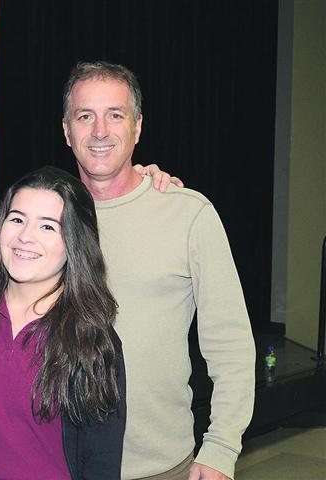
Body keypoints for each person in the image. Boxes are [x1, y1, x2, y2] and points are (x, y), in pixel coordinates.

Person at [61, 61, 254, 480]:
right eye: (85, 116)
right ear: (66, 130)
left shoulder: (188, 214)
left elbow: (231, 345)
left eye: (115, 115)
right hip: (56, 463)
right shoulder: (43, 216)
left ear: (138, 127)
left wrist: (221, 448)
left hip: (162, 466)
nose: (99, 131)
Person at [0, 166, 126, 479]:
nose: (25, 237)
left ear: (75, 242)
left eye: (48, 226)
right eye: (17, 219)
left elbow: (102, 460)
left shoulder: (92, 338)